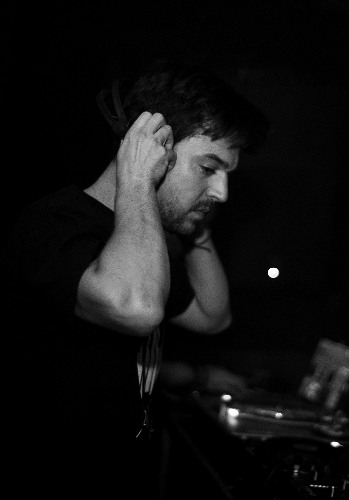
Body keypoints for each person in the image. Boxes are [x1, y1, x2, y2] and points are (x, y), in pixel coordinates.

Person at [5, 59, 269, 499]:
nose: (222, 193)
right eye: (208, 169)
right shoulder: (54, 224)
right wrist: (139, 179)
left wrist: (197, 224)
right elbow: (136, 309)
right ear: (151, 148)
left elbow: (212, 316)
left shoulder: (147, 239)